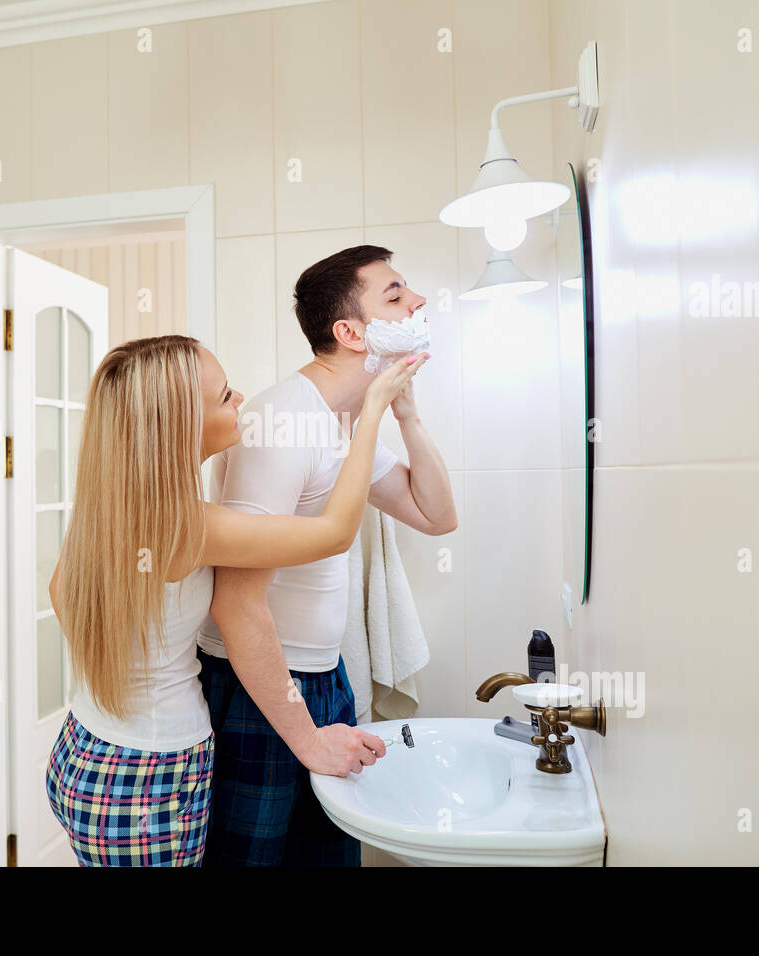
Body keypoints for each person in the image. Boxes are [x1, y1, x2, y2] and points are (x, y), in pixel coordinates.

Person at [44, 333, 427, 866]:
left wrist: (129, 667)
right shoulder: (190, 526)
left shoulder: (108, 503)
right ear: (180, 423)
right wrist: (371, 417)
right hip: (149, 777)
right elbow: (337, 532)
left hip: (84, 748)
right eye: (224, 396)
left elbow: (61, 592)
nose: (241, 400)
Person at [197, 245, 457, 866]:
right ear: (350, 332)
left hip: (324, 678)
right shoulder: (283, 421)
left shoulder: (348, 421)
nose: (419, 301)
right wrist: (305, 736)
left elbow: (436, 516)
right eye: (396, 295)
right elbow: (237, 604)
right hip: (257, 688)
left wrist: (408, 415)